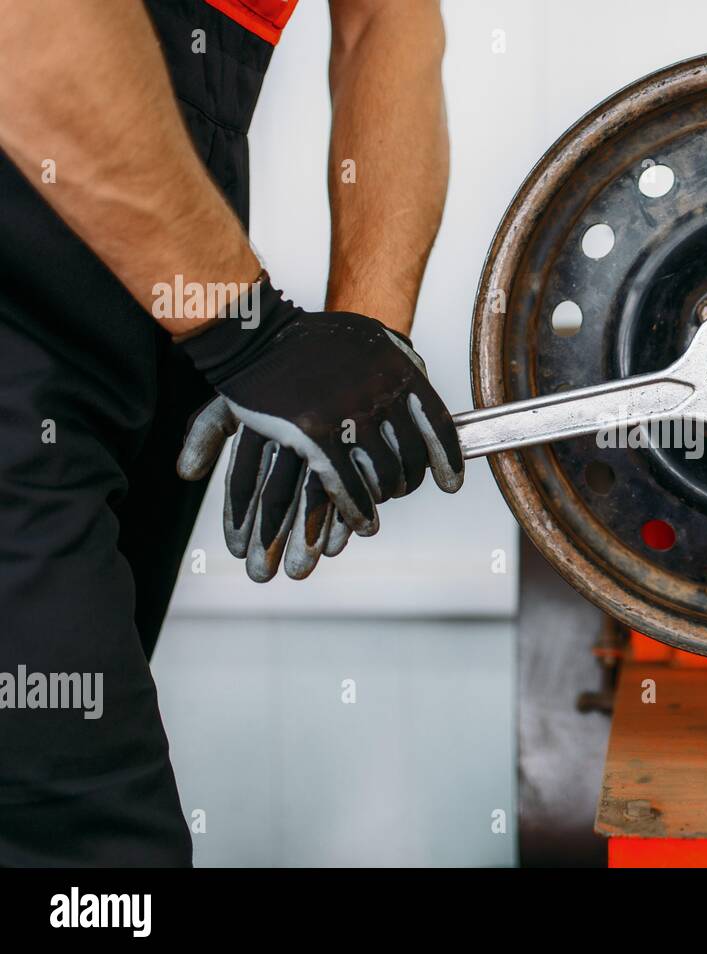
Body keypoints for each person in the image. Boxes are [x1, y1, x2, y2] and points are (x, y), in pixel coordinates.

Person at [0, 0, 461, 865]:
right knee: (88, 842)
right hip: (44, 191)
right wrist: (248, 332)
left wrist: (363, 342)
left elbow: (387, 20)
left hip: (170, 255)